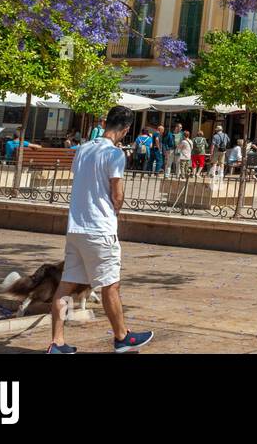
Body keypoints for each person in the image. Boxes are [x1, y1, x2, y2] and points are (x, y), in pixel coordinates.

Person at [47, 105, 153, 354]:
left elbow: (81, 180)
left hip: (76, 227)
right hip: (99, 228)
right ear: (125, 130)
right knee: (110, 285)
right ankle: (122, 337)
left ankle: (57, 342)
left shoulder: (83, 148)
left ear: (106, 123)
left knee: (66, 286)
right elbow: (117, 193)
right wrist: (114, 212)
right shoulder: (115, 154)